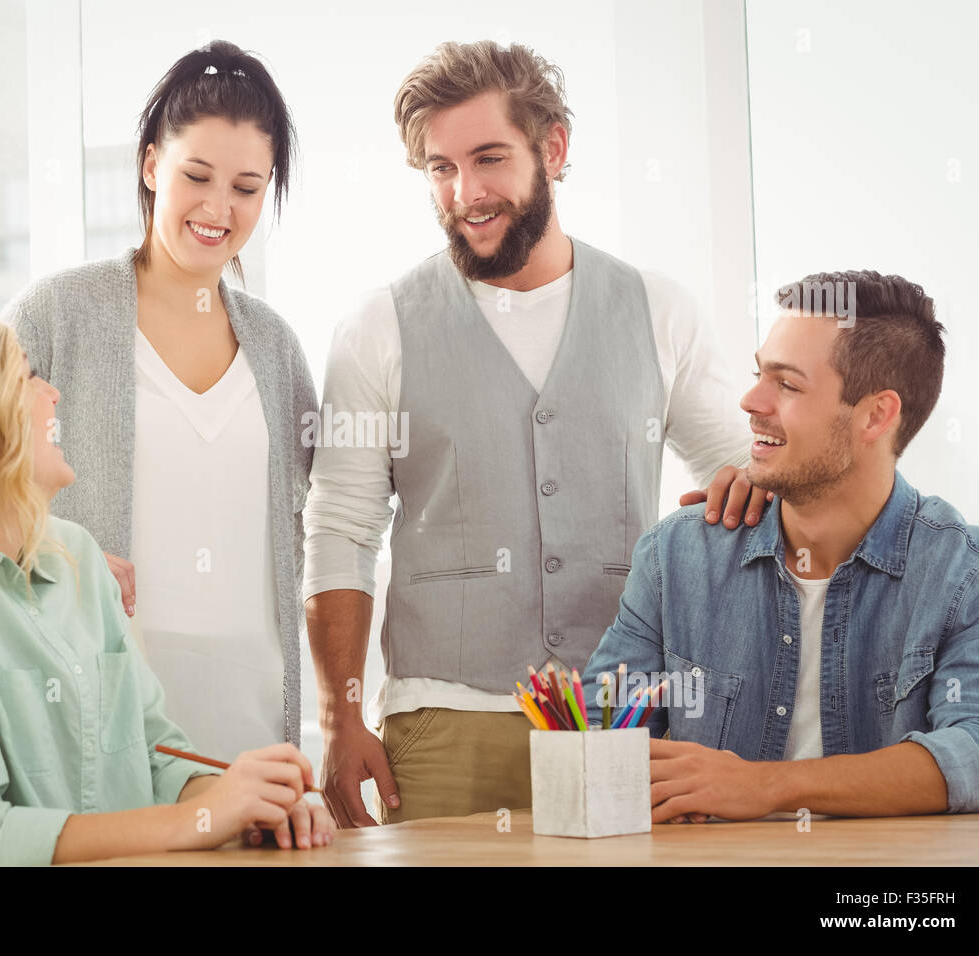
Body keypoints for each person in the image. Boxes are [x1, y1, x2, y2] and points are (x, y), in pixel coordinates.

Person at [305, 39, 769, 827]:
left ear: (552, 148)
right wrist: (342, 719)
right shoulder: (378, 326)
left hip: (620, 723)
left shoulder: (658, 310)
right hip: (443, 722)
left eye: (488, 159)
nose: (465, 193)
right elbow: (340, 529)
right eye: (441, 170)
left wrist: (743, 486)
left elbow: (747, 470)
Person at [0, 309, 334, 865]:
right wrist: (193, 822)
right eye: (26, 377)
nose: (52, 392)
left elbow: (156, 755)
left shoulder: (75, 556)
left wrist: (244, 807)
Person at [585, 271, 979, 820]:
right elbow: (600, 733)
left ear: (876, 415)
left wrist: (765, 786)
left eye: (787, 384)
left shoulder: (966, 576)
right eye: (760, 373)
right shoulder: (676, 557)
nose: (750, 399)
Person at [2, 41, 317, 762]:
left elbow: (320, 529)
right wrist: (57, 547)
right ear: (151, 165)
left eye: (246, 187)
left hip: (253, 713)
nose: (219, 209)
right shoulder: (53, 316)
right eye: (196, 176)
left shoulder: (276, 348)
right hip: (95, 710)